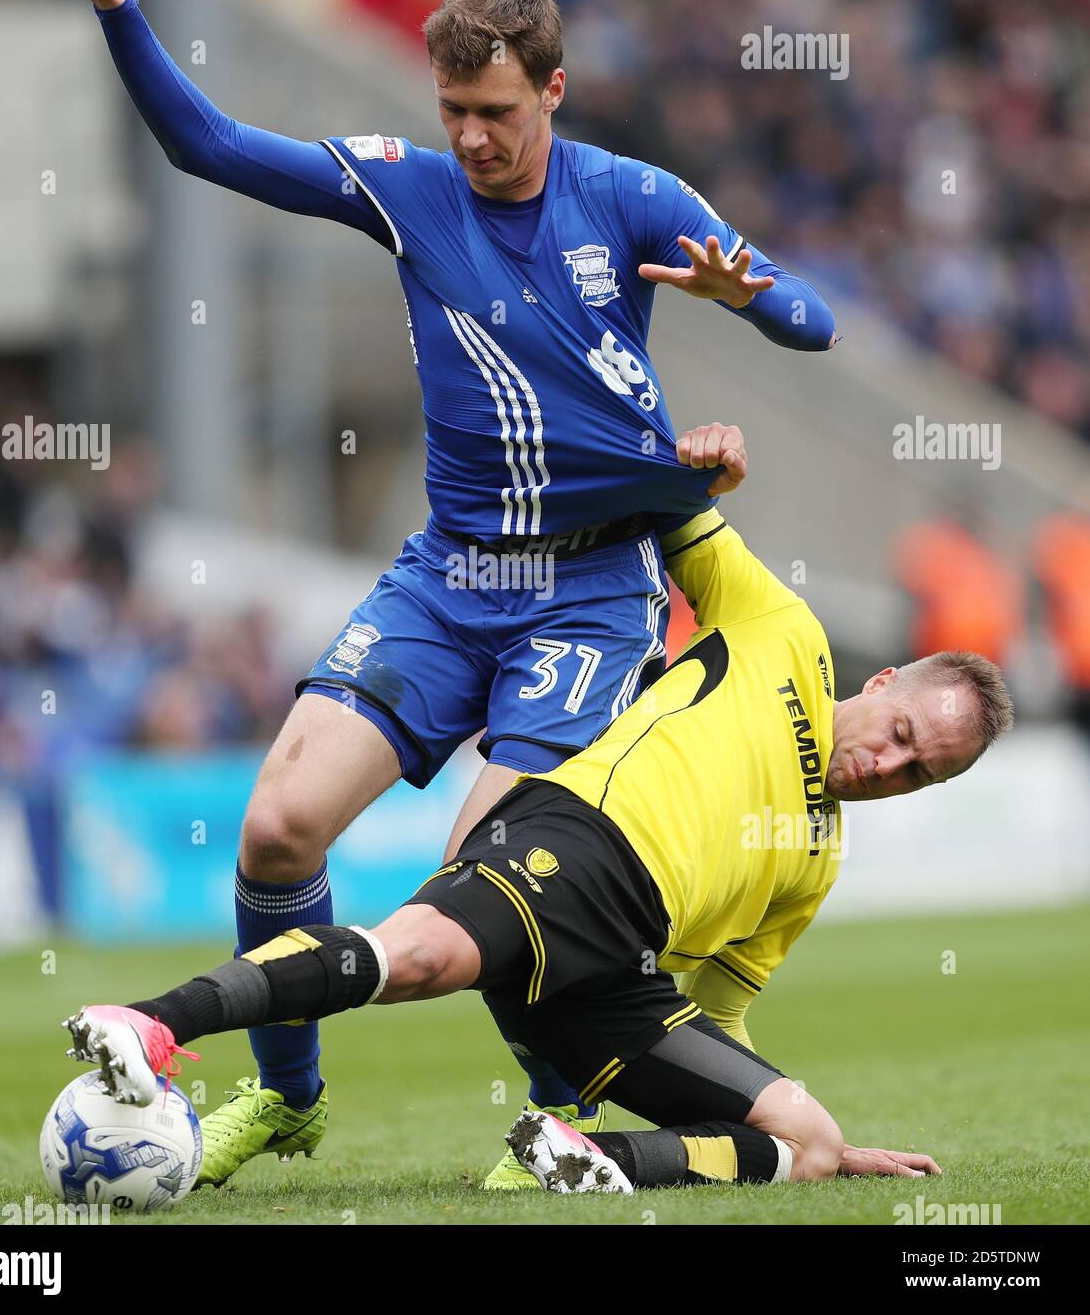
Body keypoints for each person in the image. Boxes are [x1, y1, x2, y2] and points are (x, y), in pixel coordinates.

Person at [60, 0, 837, 1186]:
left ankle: (567, 1129)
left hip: (590, 596)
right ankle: (290, 1101)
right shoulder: (407, 188)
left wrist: (744, 296)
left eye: (494, 111)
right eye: (453, 109)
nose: (471, 136)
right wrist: (118, 6)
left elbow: (815, 320)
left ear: (552, 91)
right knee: (274, 830)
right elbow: (205, 146)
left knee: (486, 890)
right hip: (449, 575)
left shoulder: (631, 198)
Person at [62, 431, 1011, 1193]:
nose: (887, 765)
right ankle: (151, 1022)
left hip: (619, 982)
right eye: (898, 732)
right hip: (582, 845)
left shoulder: (815, 857)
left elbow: (719, 1011)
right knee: (418, 955)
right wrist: (700, 459)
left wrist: (756, 1097)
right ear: (883, 680)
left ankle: (579, 1157)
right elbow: (674, 511)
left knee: (809, 1143)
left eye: (918, 773)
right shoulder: (785, 636)